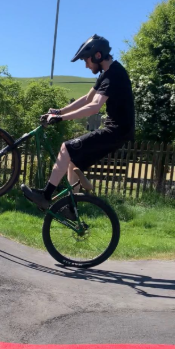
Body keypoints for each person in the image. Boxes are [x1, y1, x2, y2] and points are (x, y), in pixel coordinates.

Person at [22, 34, 135, 216]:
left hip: (116, 131)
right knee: (72, 161)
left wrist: (61, 119)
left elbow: (94, 107)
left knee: (66, 148)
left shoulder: (115, 74)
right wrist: (59, 112)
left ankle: (45, 196)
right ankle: (71, 209)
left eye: (86, 60)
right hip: (117, 131)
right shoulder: (107, 73)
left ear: (98, 55)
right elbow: (87, 99)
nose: (86, 65)